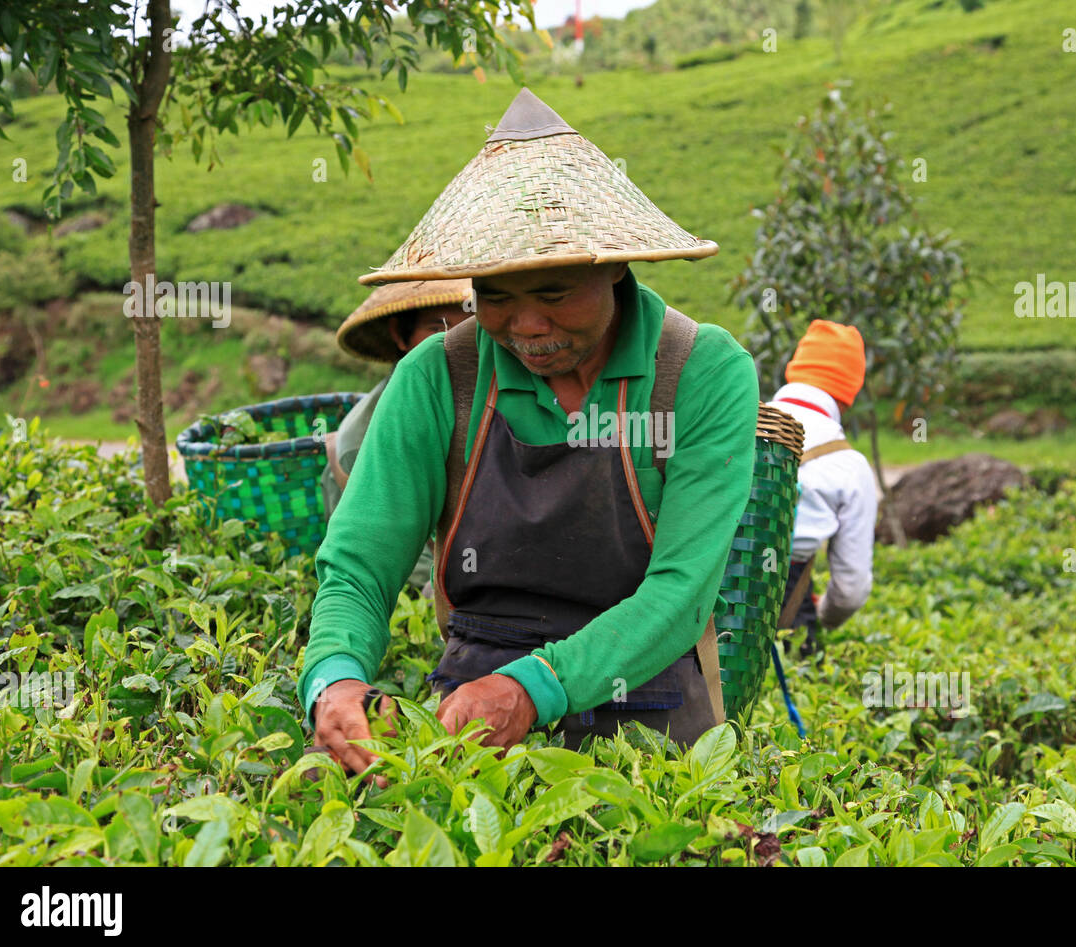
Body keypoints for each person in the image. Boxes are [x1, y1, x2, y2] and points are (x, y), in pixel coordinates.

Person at [297, 88, 759, 775]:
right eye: (497, 299)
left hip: (651, 707)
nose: (527, 327)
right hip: (474, 707)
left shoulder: (699, 373)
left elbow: (681, 592)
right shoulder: (436, 377)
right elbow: (360, 564)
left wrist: (535, 687)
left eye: (553, 294)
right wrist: (334, 676)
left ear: (615, 266)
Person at [321, 279, 472, 593]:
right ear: (398, 334)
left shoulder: (469, 399)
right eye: (439, 328)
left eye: (472, 326)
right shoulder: (363, 441)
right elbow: (403, 575)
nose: (459, 342)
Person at [768, 320, 877, 653]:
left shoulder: (734, 420)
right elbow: (850, 589)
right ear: (848, 395)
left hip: (702, 589)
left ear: (794, 371)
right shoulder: (849, 465)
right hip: (787, 599)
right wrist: (822, 614)